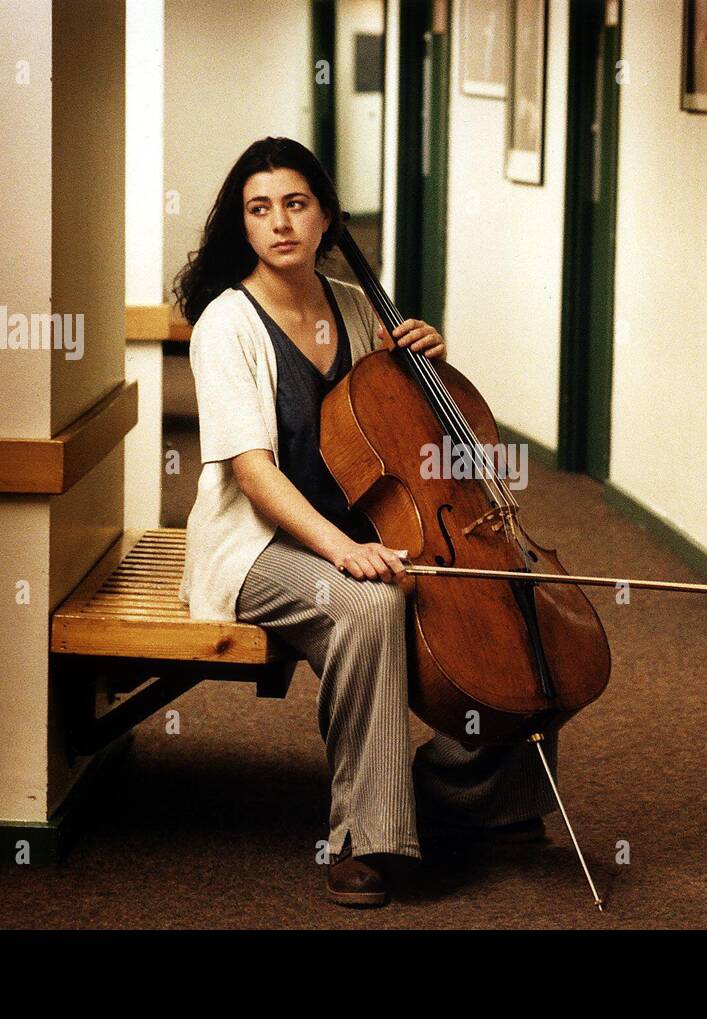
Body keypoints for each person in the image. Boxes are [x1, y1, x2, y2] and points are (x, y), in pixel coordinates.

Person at [172, 137, 560, 907]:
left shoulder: (352, 305)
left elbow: (402, 434)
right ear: (241, 226)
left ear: (325, 216)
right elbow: (253, 475)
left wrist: (429, 364)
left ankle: (481, 794)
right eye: (259, 208)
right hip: (259, 544)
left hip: (361, 526)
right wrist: (343, 550)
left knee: (504, 594)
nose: (279, 222)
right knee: (370, 602)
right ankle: (365, 836)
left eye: (295, 203)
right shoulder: (228, 323)